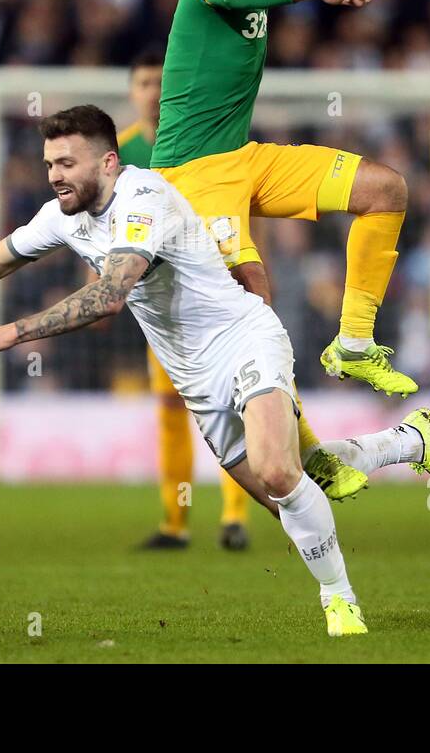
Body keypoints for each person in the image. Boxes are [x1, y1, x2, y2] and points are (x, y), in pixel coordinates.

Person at [0, 104, 430, 636]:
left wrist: (11, 333)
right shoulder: (63, 215)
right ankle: (411, 439)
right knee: (300, 485)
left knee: (277, 471)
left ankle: (339, 600)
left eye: (67, 162)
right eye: (49, 163)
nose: (55, 174)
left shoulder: (142, 198)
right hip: (195, 379)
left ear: (109, 162)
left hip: (243, 338)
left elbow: (110, 296)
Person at [153, 0, 416, 499]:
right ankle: (306, 454)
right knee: (255, 307)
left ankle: (354, 341)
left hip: (243, 157)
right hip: (192, 177)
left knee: (386, 188)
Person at [118, 49, 252, 551]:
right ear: (132, 92)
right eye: (143, 82)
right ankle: (176, 523)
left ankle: (235, 516)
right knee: (172, 407)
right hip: (160, 304)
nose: (152, 92)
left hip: (212, 293)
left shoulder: (200, 146)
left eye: (159, 81)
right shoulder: (120, 154)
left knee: (231, 400)